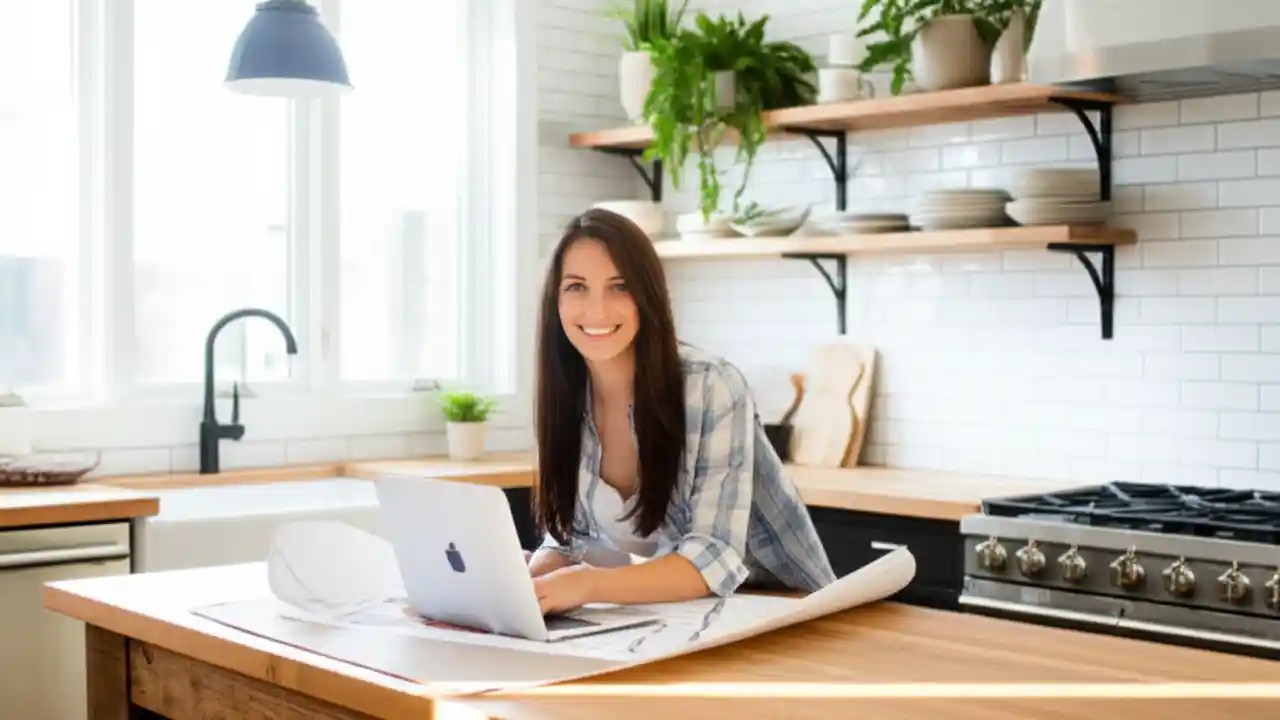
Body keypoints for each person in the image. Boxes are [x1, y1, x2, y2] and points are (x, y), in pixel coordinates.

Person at [527, 207, 836, 615]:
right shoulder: (567, 394)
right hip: (692, 616)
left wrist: (587, 585)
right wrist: (531, 578)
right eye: (577, 287)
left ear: (648, 296)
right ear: (555, 301)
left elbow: (711, 557)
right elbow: (572, 538)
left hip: (787, 609)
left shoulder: (712, 385)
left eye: (619, 286)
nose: (597, 311)